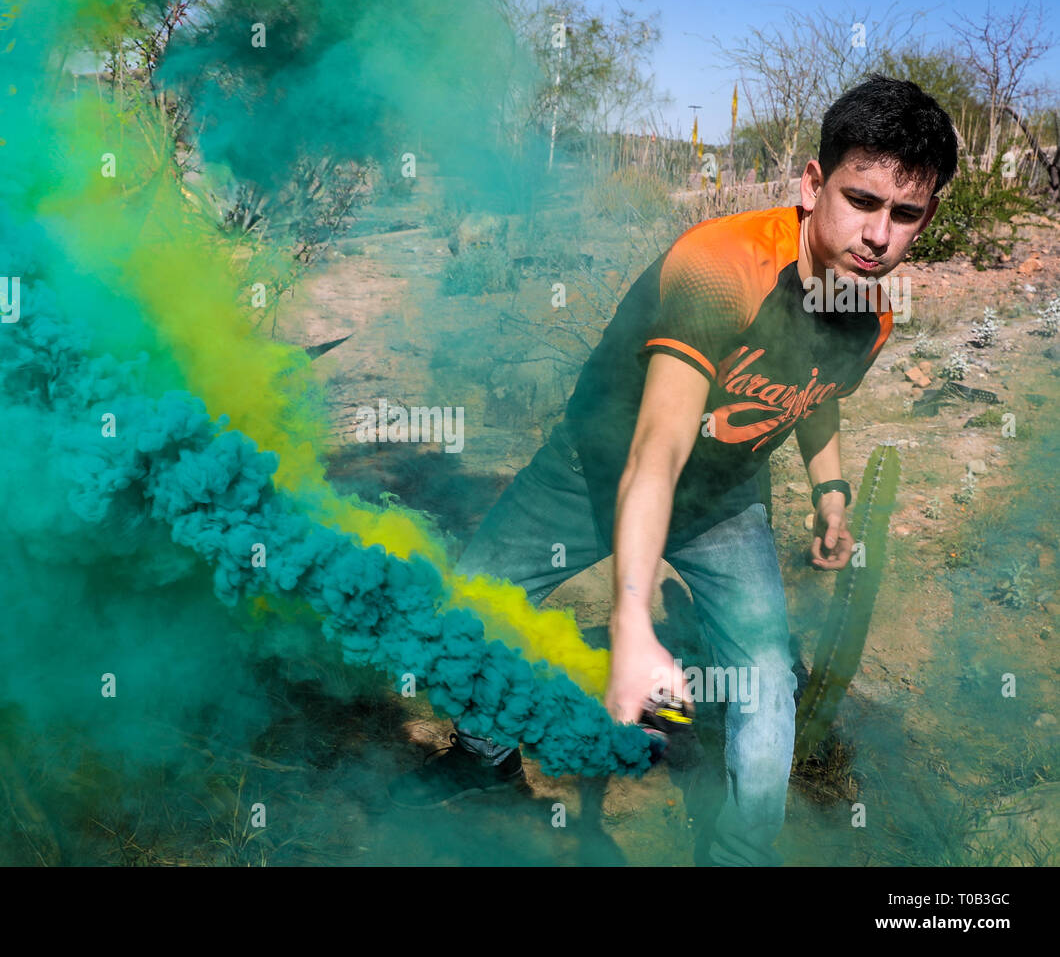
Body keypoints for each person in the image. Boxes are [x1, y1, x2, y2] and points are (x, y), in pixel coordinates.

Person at [388, 75, 959, 866]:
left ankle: (741, 856)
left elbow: (815, 388)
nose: (879, 236)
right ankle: (482, 755)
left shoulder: (871, 311)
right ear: (811, 184)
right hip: (595, 466)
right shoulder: (720, 266)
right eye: (862, 200)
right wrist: (628, 625)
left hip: (722, 496)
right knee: (474, 599)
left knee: (764, 681)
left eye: (905, 215)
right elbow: (654, 451)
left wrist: (831, 489)